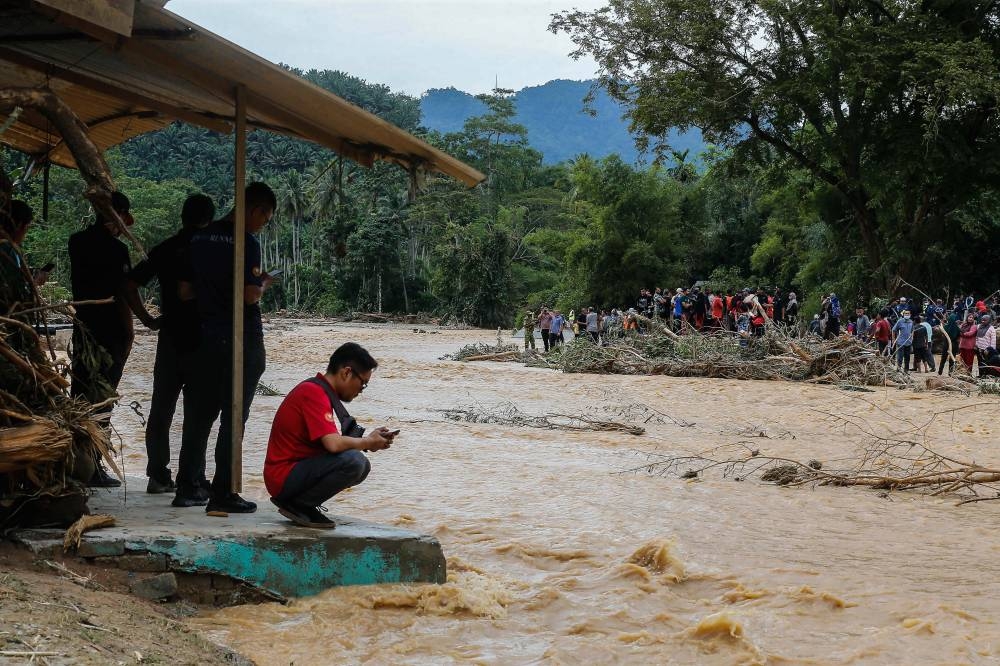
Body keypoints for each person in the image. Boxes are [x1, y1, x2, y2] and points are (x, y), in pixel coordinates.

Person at [181, 182, 276, 513]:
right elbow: (249, 295)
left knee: (200, 415)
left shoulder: (199, 238)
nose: (263, 224)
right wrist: (263, 282)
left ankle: (188, 486)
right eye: (265, 218)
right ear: (256, 210)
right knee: (234, 416)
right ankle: (223, 492)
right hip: (240, 335)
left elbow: (185, 291)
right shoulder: (246, 242)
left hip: (204, 335)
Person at [125, 194, 215, 495]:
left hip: (170, 336)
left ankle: (159, 475)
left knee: (162, 408)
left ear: (183, 217)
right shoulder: (208, 250)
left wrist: (148, 320)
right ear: (209, 220)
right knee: (197, 413)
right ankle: (193, 477)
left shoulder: (164, 249)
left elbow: (129, 285)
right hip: (201, 339)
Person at [264, 343, 395, 528]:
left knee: (362, 465)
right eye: (362, 384)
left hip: (292, 472)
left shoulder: (320, 391)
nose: (361, 390)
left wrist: (370, 440)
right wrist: (367, 441)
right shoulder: (313, 393)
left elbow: (332, 441)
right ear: (346, 372)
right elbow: (333, 444)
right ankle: (299, 505)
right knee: (355, 462)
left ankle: (303, 504)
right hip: (283, 477)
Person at [68, 192, 137, 487]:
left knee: (80, 397)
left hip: (83, 329)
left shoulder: (76, 242)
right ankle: (94, 466)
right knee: (102, 402)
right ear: (117, 215)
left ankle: (75, 463)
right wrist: (135, 329)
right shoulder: (117, 251)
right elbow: (123, 295)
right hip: (109, 334)